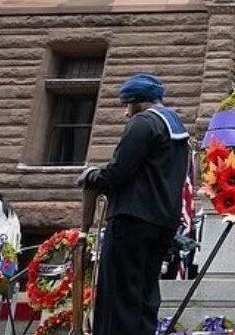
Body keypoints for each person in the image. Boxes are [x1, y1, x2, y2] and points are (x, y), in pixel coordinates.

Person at [77, 73, 190, 335]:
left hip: (131, 220)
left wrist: (92, 175)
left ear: (138, 102)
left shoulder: (144, 122)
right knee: (145, 294)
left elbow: (118, 172)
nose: (126, 113)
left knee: (119, 294)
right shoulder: (177, 128)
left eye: (127, 105)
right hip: (162, 223)